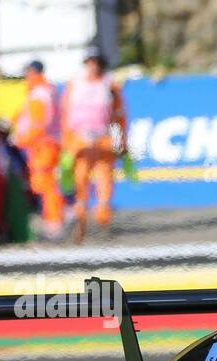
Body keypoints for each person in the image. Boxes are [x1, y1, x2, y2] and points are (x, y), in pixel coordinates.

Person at [62, 46, 126, 243]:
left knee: (105, 182)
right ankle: (80, 221)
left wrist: (121, 142)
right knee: (80, 181)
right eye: (90, 62)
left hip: (103, 139)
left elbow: (119, 117)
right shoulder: (75, 84)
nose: (93, 66)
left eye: (96, 62)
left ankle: (103, 221)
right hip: (80, 141)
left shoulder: (111, 85)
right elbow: (66, 115)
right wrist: (66, 144)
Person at [11, 60, 64, 240]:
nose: (26, 76)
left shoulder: (40, 93)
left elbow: (39, 124)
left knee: (45, 183)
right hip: (42, 144)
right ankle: (52, 219)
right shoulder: (41, 91)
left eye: (28, 72)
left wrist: (20, 139)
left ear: (34, 72)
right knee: (43, 183)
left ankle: (54, 222)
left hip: (43, 144)